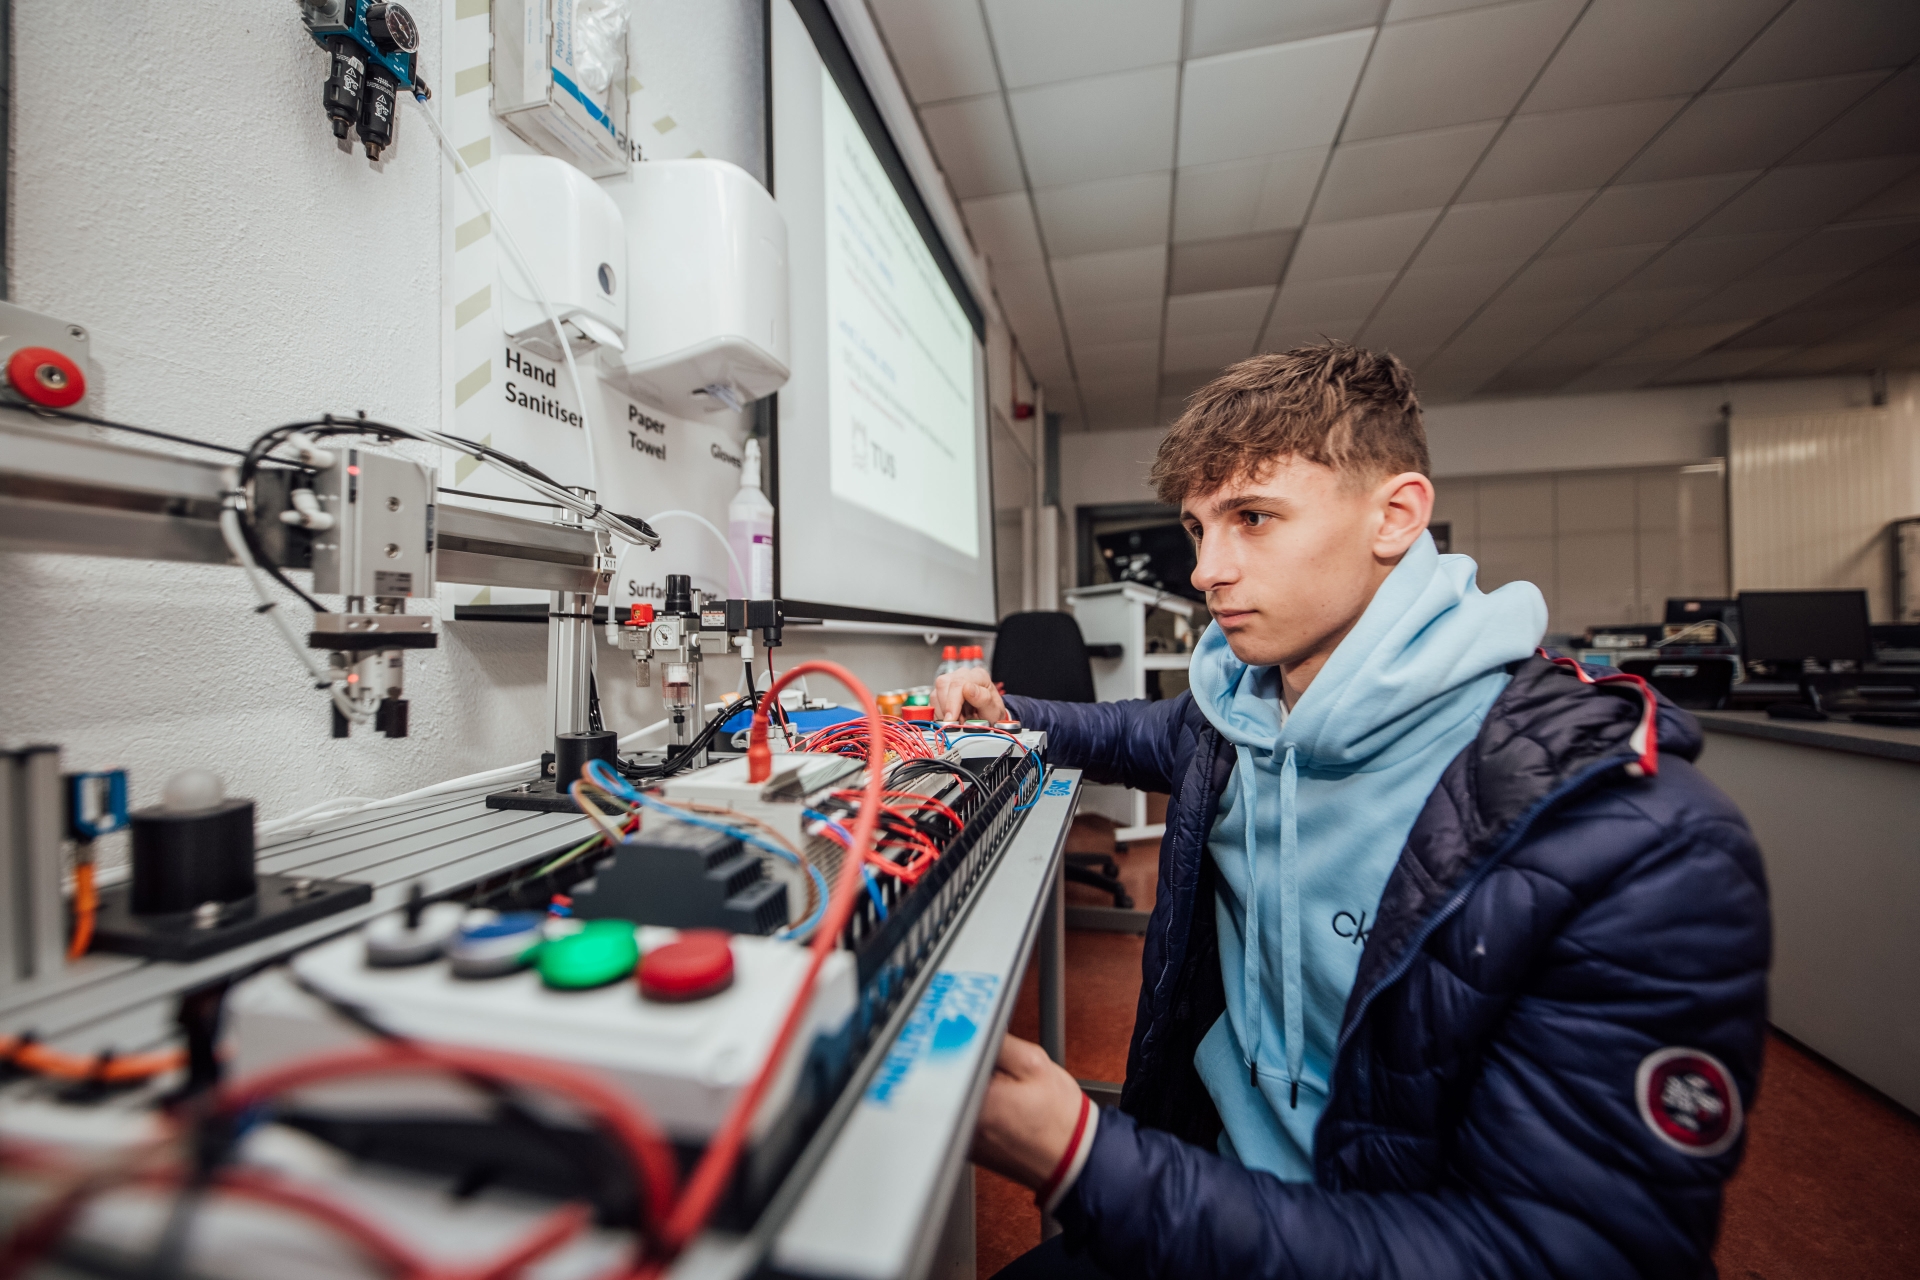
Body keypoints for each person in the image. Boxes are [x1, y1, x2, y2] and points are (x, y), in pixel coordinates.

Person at [933, 343, 1769, 1279]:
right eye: (1197, 528)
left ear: (1396, 516)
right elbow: (1133, 731)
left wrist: (1082, 1155)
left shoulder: (1638, 844)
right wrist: (1012, 713)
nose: (1207, 570)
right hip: (1203, 1194)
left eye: (1253, 517)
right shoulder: (1237, 714)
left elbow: (1559, 1255)